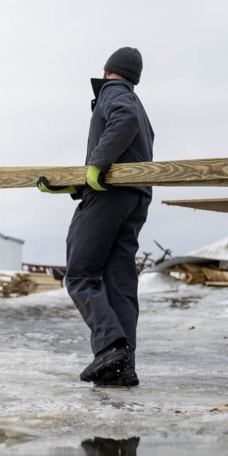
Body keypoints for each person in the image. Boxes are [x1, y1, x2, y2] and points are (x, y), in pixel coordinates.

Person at [40, 47, 154, 387]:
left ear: (107, 71)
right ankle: (122, 367)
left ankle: (110, 346)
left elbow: (124, 121)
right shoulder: (139, 105)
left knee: (80, 275)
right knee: (119, 283)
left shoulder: (114, 93)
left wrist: (96, 165)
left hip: (108, 198)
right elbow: (130, 135)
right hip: (135, 198)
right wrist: (73, 186)